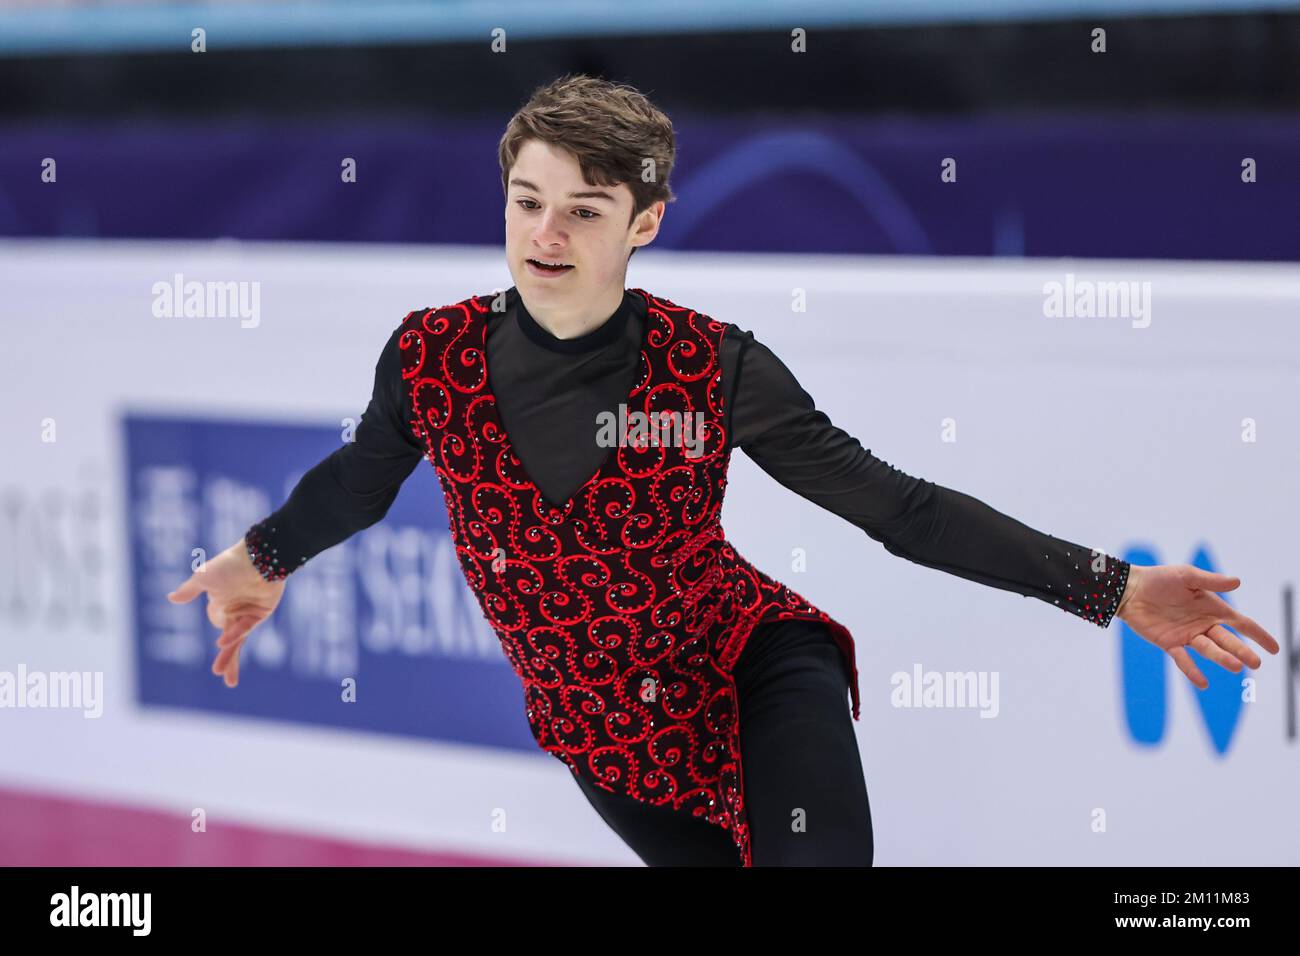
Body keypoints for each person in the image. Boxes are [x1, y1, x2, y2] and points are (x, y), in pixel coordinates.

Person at [167, 74, 1280, 867]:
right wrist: (265, 557)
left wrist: (1109, 583)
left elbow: (895, 506)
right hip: (599, 728)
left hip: (751, 665)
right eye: (528, 201)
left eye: (585, 211)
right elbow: (364, 475)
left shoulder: (712, 365)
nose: (546, 233)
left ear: (645, 221)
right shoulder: (432, 353)